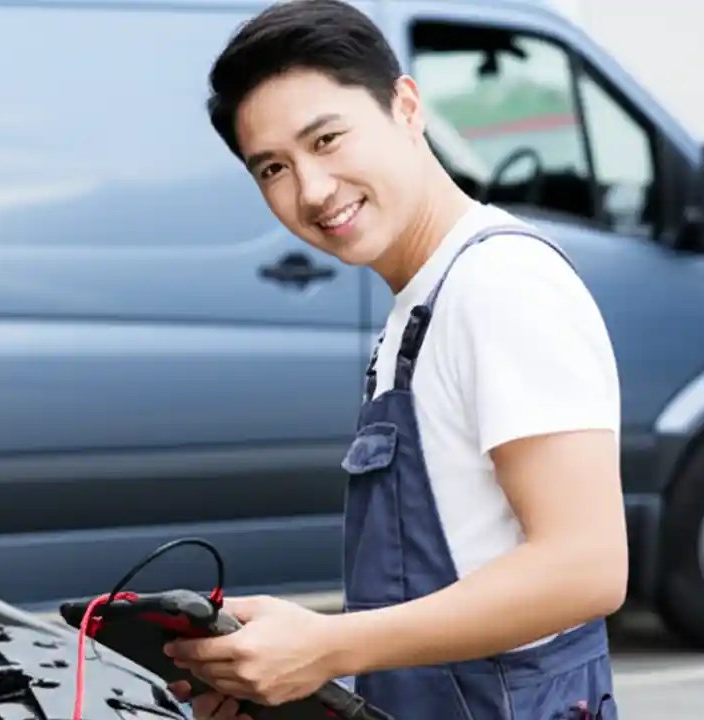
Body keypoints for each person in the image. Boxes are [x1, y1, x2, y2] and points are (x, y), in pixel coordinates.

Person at [162, 1, 628, 718]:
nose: (311, 190)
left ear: (405, 106)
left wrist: (329, 646)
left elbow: (586, 567)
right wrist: (287, 679)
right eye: (274, 168)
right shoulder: (422, 304)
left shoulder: (501, 286)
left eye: (327, 139)